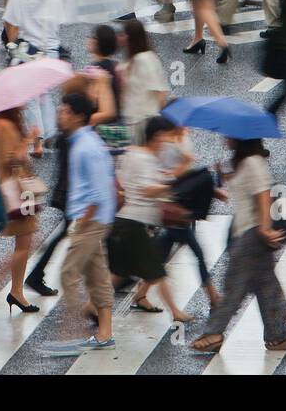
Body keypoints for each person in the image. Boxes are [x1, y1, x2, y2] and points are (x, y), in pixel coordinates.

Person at [190, 136, 286, 354]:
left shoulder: (252, 162)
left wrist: (265, 228)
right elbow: (246, 189)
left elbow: (264, 196)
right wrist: (226, 174)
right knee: (266, 285)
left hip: (252, 233)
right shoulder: (244, 162)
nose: (224, 140)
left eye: (228, 137)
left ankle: (214, 333)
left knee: (234, 284)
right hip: (248, 230)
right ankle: (282, 333)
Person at [42, 92, 117, 355]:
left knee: (68, 273)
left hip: (90, 220)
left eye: (64, 110)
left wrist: (82, 223)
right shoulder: (81, 142)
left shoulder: (86, 147)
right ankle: (104, 333)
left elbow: (99, 191)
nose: (59, 114)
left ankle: (72, 333)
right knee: (97, 277)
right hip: (92, 219)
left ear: (77, 116)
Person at [108, 116, 191, 322]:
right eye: (166, 137)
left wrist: (179, 171)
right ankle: (176, 312)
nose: (167, 142)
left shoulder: (135, 154)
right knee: (157, 270)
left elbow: (129, 182)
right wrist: (171, 185)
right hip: (133, 223)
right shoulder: (143, 158)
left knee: (121, 271)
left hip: (127, 221)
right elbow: (148, 189)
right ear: (156, 136)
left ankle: (92, 305)